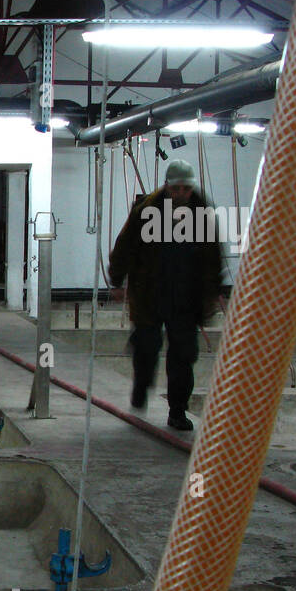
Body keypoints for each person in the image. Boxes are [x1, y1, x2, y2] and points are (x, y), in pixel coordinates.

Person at [108, 159, 223, 431]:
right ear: (167, 186)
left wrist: (214, 291)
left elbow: (212, 256)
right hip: (150, 294)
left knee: (183, 355)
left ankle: (177, 410)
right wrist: (116, 280)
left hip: (185, 298)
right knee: (147, 347)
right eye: (176, 189)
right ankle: (141, 385)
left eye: (185, 189)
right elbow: (125, 246)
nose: (181, 194)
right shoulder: (146, 210)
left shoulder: (202, 213)